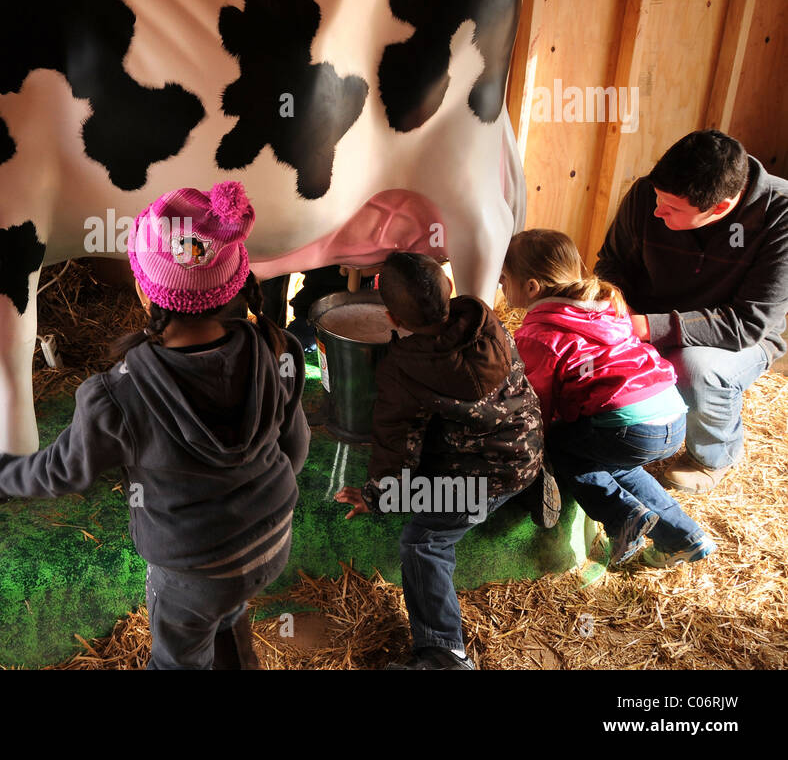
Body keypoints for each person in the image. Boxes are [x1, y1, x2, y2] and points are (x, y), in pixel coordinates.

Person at [0, 182, 310, 669]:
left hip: (192, 572)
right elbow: (297, 447)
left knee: (178, 657)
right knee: (226, 609)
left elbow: (63, 472)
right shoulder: (275, 346)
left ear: (144, 290)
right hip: (271, 543)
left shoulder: (117, 395)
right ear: (234, 283)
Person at [335, 251, 543, 670]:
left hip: (481, 481)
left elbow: (397, 451)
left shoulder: (402, 369)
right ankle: (535, 484)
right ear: (449, 289)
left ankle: (443, 652)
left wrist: (377, 497)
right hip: (530, 447)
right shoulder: (484, 319)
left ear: (391, 318)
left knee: (423, 542)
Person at [504, 230, 714, 568]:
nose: (501, 287)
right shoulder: (606, 305)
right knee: (618, 464)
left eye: (503, 279)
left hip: (626, 422)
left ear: (531, 287)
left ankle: (623, 517)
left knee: (563, 449)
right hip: (670, 415)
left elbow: (537, 402)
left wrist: (528, 444)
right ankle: (684, 537)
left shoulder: (537, 334)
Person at [595, 131, 788, 494]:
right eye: (657, 197)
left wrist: (647, 329)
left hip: (736, 337)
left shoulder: (780, 213)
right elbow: (611, 263)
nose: (656, 210)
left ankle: (713, 456)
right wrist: (618, 301)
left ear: (720, 208)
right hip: (647, 319)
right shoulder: (646, 195)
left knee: (694, 369)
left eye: (671, 208)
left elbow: (748, 323)